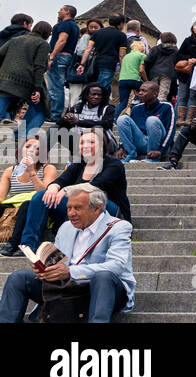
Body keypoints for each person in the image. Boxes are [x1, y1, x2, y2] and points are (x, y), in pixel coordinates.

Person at [0, 185, 134, 323]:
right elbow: (58, 259)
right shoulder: (66, 227)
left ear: (97, 208)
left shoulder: (118, 227)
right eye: (69, 208)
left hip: (101, 290)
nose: (71, 213)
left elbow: (116, 266)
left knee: (103, 276)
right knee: (19, 277)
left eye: (78, 208)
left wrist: (71, 271)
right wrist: (46, 269)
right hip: (67, 288)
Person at [15, 129, 131, 253]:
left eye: (91, 142)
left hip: (108, 210)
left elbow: (96, 186)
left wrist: (65, 190)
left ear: (102, 145)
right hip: (80, 208)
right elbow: (61, 180)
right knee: (40, 196)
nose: (85, 146)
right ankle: (28, 245)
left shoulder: (114, 164)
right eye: (82, 143)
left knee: (84, 198)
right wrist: (53, 187)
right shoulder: (79, 164)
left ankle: (67, 245)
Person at [0, 135, 60, 257]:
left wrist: (32, 171)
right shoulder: (10, 171)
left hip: (37, 208)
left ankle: (13, 242)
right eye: (27, 146)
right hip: (15, 209)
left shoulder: (48, 168)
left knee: (28, 204)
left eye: (37, 148)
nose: (31, 150)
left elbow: (45, 194)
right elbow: (1, 198)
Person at [0, 20, 49, 132]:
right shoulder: (43, 44)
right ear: (47, 33)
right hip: (26, 83)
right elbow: (39, 67)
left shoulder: (15, 39)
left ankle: (20, 134)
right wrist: (37, 88)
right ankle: (24, 135)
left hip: (4, 81)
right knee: (41, 110)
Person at [115, 80, 176, 161]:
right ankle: (131, 154)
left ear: (155, 94)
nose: (140, 93)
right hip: (141, 141)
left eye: (144, 91)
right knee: (122, 119)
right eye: (139, 90)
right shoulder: (136, 108)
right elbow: (128, 130)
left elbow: (170, 131)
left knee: (152, 120)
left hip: (158, 145)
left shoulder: (167, 107)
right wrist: (121, 147)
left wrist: (161, 150)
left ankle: (153, 157)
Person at [57, 83, 117, 153]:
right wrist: (66, 119)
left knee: (97, 128)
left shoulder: (108, 108)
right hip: (81, 143)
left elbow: (106, 124)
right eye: (93, 94)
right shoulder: (77, 108)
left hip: (104, 145)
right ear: (87, 95)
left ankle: (97, 157)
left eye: (99, 95)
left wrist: (79, 122)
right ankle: (44, 155)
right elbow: (59, 123)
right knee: (55, 129)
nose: (96, 97)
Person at [45, 4, 79, 119]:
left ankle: (54, 114)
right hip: (68, 56)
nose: (58, 11)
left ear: (67, 12)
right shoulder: (75, 26)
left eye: (61, 10)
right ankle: (55, 113)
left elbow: (62, 40)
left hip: (59, 56)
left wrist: (52, 56)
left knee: (55, 87)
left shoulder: (65, 24)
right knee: (59, 86)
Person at [87, 14, 129, 92]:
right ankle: (96, 104)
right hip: (109, 64)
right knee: (100, 89)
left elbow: (88, 48)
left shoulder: (98, 32)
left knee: (104, 88)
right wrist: (123, 69)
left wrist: (82, 63)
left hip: (96, 63)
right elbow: (121, 55)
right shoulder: (121, 35)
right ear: (121, 24)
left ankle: (104, 103)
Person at [173, 19, 196, 112]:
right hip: (185, 73)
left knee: (194, 96)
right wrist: (189, 59)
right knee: (183, 96)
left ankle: (192, 119)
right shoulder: (188, 40)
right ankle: (180, 119)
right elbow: (178, 55)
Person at [143, 31, 179, 103]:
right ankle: (159, 109)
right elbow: (176, 65)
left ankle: (151, 107)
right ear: (173, 41)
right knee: (163, 94)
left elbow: (147, 61)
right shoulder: (175, 51)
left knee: (152, 92)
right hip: (167, 74)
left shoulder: (155, 49)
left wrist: (146, 75)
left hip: (153, 74)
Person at [116, 41, 147, 110]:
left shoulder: (126, 56)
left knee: (122, 103)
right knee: (147, 94)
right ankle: (136, 106)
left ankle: (114, 118)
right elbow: (141, 70)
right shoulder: (142, 56)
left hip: (122, 80)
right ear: (142, 48)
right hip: (135, 80)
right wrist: (146, 81)